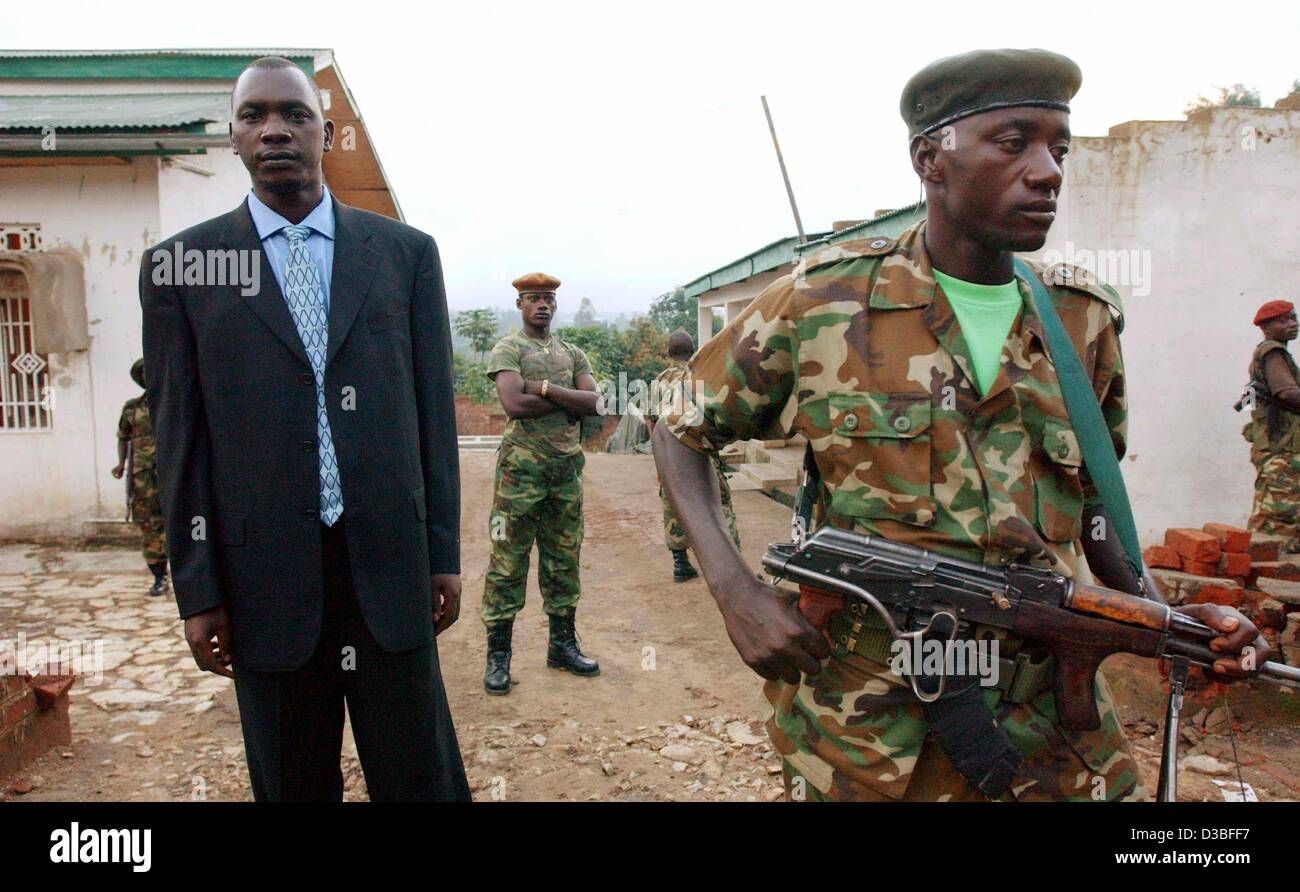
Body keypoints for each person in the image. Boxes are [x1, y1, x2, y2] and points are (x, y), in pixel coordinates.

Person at [654, 48, 1268, 801]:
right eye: (1014, 143)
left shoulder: (1082, 318)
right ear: (930, 159)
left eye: (1059, 149)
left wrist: (1165, 616)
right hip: (871, 724)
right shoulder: (820, 302)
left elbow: (1099, 506)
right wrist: (735, 591)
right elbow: (677, 425)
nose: (1047, 171)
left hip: (1050, 723)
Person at [140, 56, 468, 801]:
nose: (275, 129)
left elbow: (431, 415)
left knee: (421, 781)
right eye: (254, 115)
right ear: (232, 137)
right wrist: (197, 590)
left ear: (327, 133)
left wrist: (441, 551)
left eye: (294, 113)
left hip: (387, 568)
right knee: (291, 784)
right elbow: (179, 445)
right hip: (265, 586)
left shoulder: (404, 256)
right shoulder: (182, 268)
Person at [481, 273, 604, 695]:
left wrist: (547, 387)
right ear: (520, 305)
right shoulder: (509, 349)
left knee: (563, 558)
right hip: (521, 473)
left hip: (566, 470)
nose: (542, 305)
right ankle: (499, 656)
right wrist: (567, 397)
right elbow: (514, 404)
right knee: (508, 560)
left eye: (548, 298)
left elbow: (596, 403)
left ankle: (562, 646)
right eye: (533, 299)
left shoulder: (573, 351)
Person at [648, 330, 739, 582]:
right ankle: (733, 567)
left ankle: (680, 565)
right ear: (693, 351)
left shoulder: (658, 382)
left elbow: (652, 422)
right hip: (700, 450)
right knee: (720, 505)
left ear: (668, 352)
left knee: (673, 504)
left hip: (670, 454)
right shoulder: (700, 376)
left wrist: (660, 461)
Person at [1244, 300, 1300, 552]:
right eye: (1284, 321)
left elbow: (1250, 403)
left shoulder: (1269, 353)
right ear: (1266, 328)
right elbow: (1287, 393)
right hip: (1280, 449)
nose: (1293, 324)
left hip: (1278, 446)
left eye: (1294, 318)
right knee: (1278, 518)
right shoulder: (1272, 351)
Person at [111, 359, 169, 596]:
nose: (147, 376)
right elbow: (123, 437)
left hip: (169, 474)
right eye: (143, 373)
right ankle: (159, 576)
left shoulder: (170, 402)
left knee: (180, 524)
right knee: (149, 526)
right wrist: (121, 464)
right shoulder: (132, 408)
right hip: (142, 478)